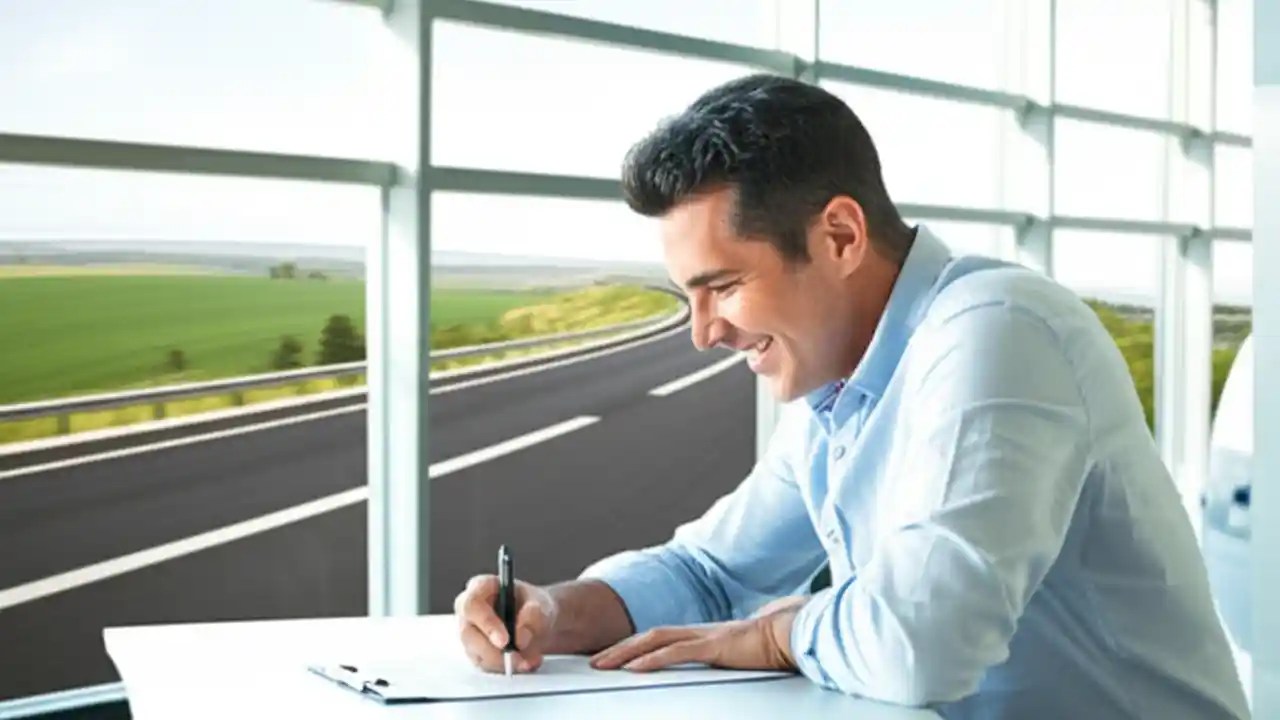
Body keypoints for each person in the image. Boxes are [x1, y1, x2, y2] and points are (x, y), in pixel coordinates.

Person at [452, 74, 1250, 719]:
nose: (702, 332)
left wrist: (774, 635)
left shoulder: (997, 330)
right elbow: (709, 573)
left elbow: (923, 642)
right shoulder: (844, 390)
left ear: (839, 235)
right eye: (687, 295)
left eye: (723, 286)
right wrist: (554, 613)